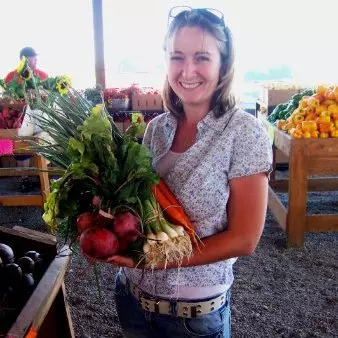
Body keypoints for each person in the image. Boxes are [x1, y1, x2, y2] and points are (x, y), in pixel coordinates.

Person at [108, 7, 272, 338]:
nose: (188, 70)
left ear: (223, 64)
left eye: (202, 57)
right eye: (177, 57)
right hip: (132, 300)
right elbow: (141, 203)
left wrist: (157, 260)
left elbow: (245, 239)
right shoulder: (157, 128)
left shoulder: (243, 132)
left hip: (192, 318)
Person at [4, 47, 48, 192]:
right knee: (22, 148)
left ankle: (44, 179)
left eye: (36, 58)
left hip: (40, 117)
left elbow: (49, 94)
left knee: (43, 145)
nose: (36, 60)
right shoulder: (12, 76)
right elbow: (8, 97)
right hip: (21, 118)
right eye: (33, 58)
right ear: (25, 59)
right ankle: (25, 179)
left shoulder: (42, 75)